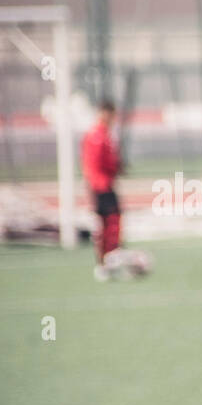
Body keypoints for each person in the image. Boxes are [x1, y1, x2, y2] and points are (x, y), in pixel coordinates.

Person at [81, 99, 122, 281]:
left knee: (111, 222)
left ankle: (110, 259)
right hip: (101, 186)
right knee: (107, 224)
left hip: (105, 184)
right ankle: (106, 262)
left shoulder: (104, 134)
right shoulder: (97, 136)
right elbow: (94, 164)